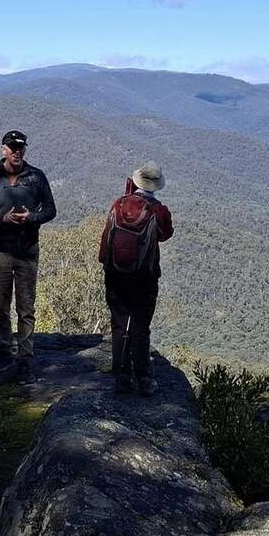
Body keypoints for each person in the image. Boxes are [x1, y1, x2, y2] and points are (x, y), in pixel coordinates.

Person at [0, 130, 57, 381]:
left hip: (27, 250)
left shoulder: (36, 177)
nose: (17, 150)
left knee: (26, 306)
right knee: (0, 303)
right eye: (13, 146)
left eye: (21, 147)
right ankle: (5, 349)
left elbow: (50, 210)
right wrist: (0, 219)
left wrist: (31, 217)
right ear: (3, 149)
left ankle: (25, 358)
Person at [98, 162, 173, 396]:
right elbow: (166, 234)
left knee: (120, 324)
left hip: (116, 275)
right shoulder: (158, 210)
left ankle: (121, 376)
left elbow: (105, 242)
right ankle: (144, 378)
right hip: (145, 277)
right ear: (156, 186)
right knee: (141, 326)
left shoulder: (119, 204)